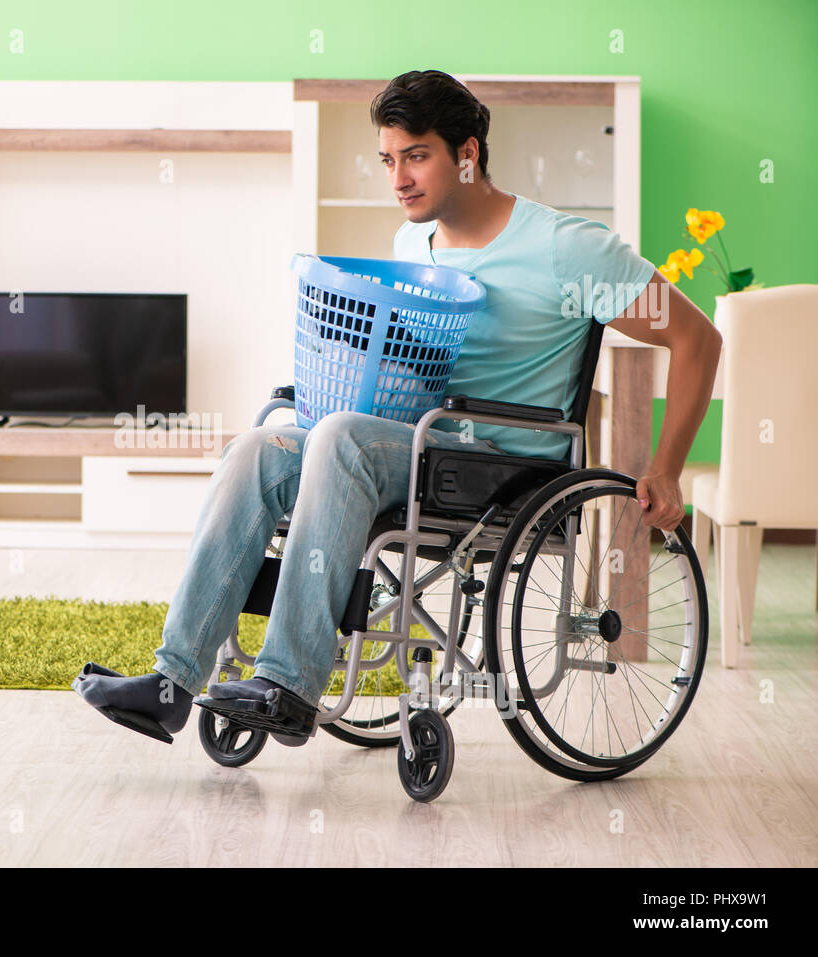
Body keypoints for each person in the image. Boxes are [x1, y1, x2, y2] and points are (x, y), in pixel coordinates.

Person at [73, 69, 721, 745]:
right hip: (414, 445)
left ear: (466, 154)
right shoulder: (414, 244)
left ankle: (289, 681)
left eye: (417, 156)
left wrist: (668, 466)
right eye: (389, 159)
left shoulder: (567, 248)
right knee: (255, 449)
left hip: (502, 466)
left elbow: (697, 337)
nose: (399, 178)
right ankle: (175, 678)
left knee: (341, 438)